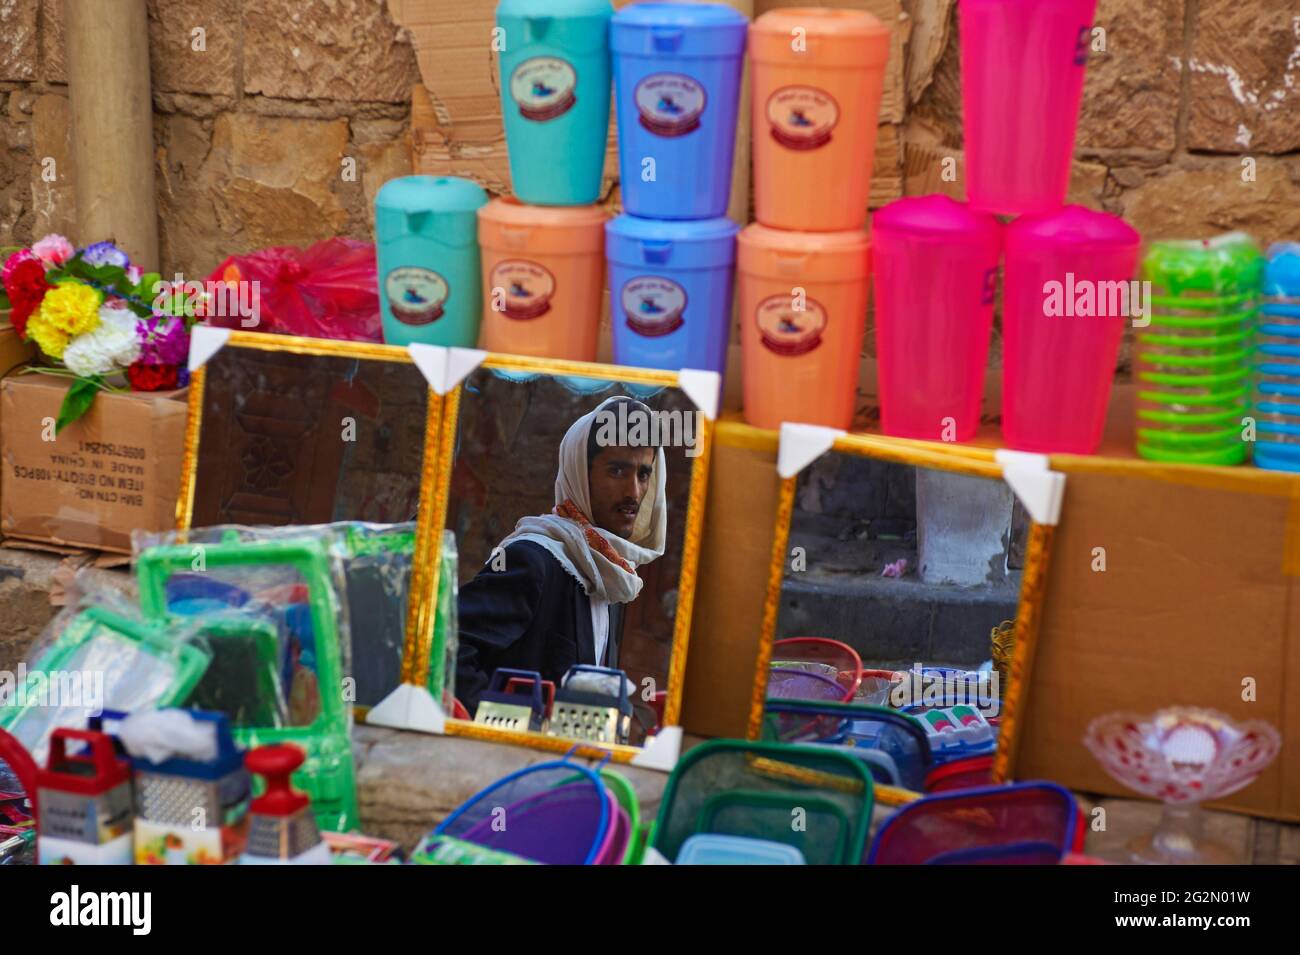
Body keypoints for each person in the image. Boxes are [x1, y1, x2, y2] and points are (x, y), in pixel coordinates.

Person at [455, 396, 667, 716]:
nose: (633, 493)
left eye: (642, 474)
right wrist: (500, 730)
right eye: (617, 470)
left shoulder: (607, 575)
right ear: (580, 473)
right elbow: (447, 646)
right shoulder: (531, 561)